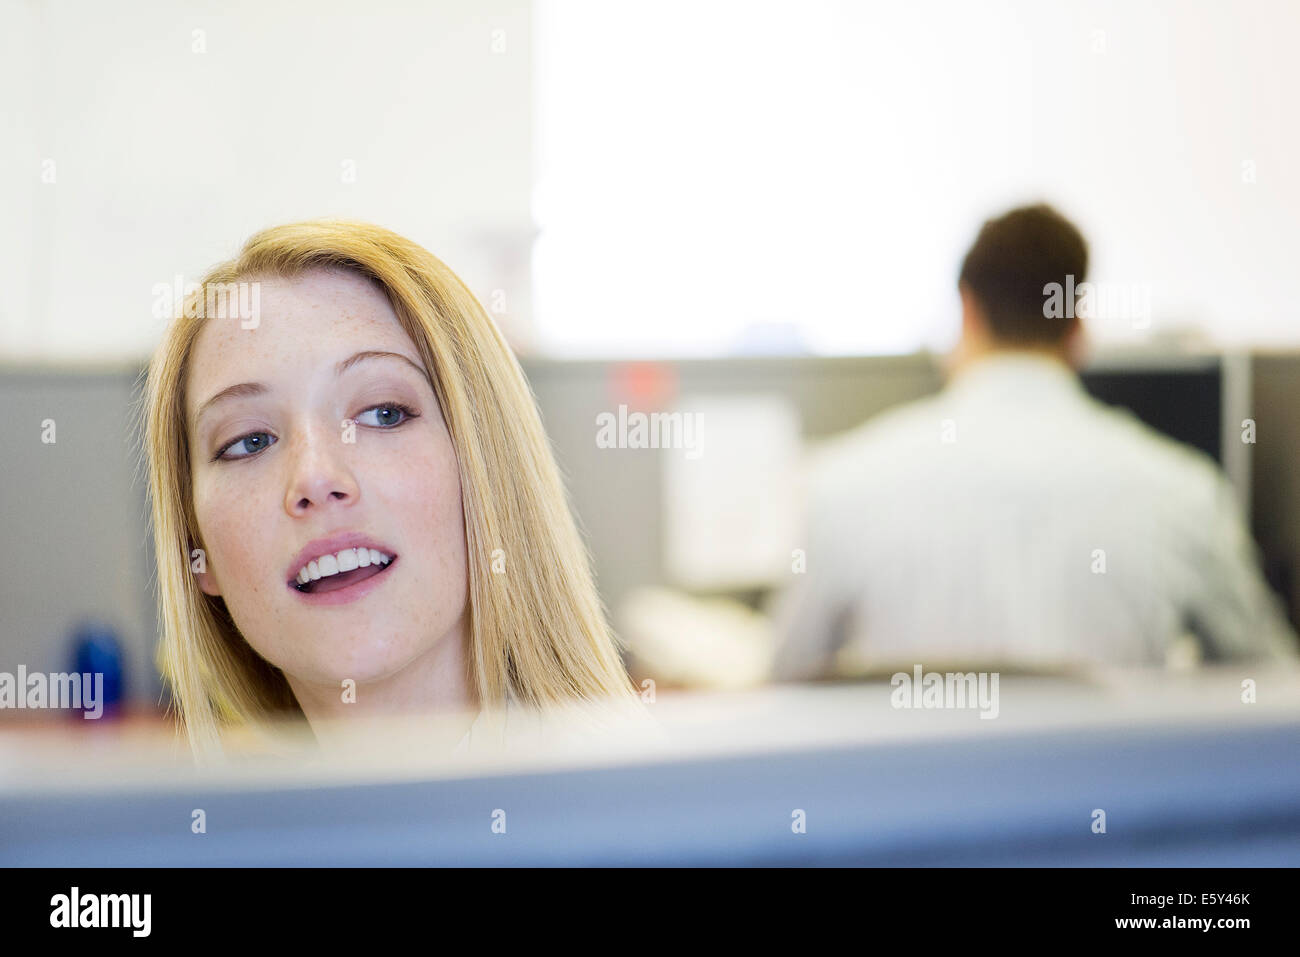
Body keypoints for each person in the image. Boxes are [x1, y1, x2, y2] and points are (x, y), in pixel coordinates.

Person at [142, 219, 653, 763]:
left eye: (383, 414)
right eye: (249, 441)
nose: (315, 478)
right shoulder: (221, 841)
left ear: (488, 468)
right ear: (198, 551)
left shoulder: (644, 829)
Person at [769, 204, 1298, 680]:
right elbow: (1272, 690)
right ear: (1076, 324)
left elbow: (782, 685)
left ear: (967, 310)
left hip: (923, 788)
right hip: (1111, 789)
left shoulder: (844, 485)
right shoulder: (1183, 492)